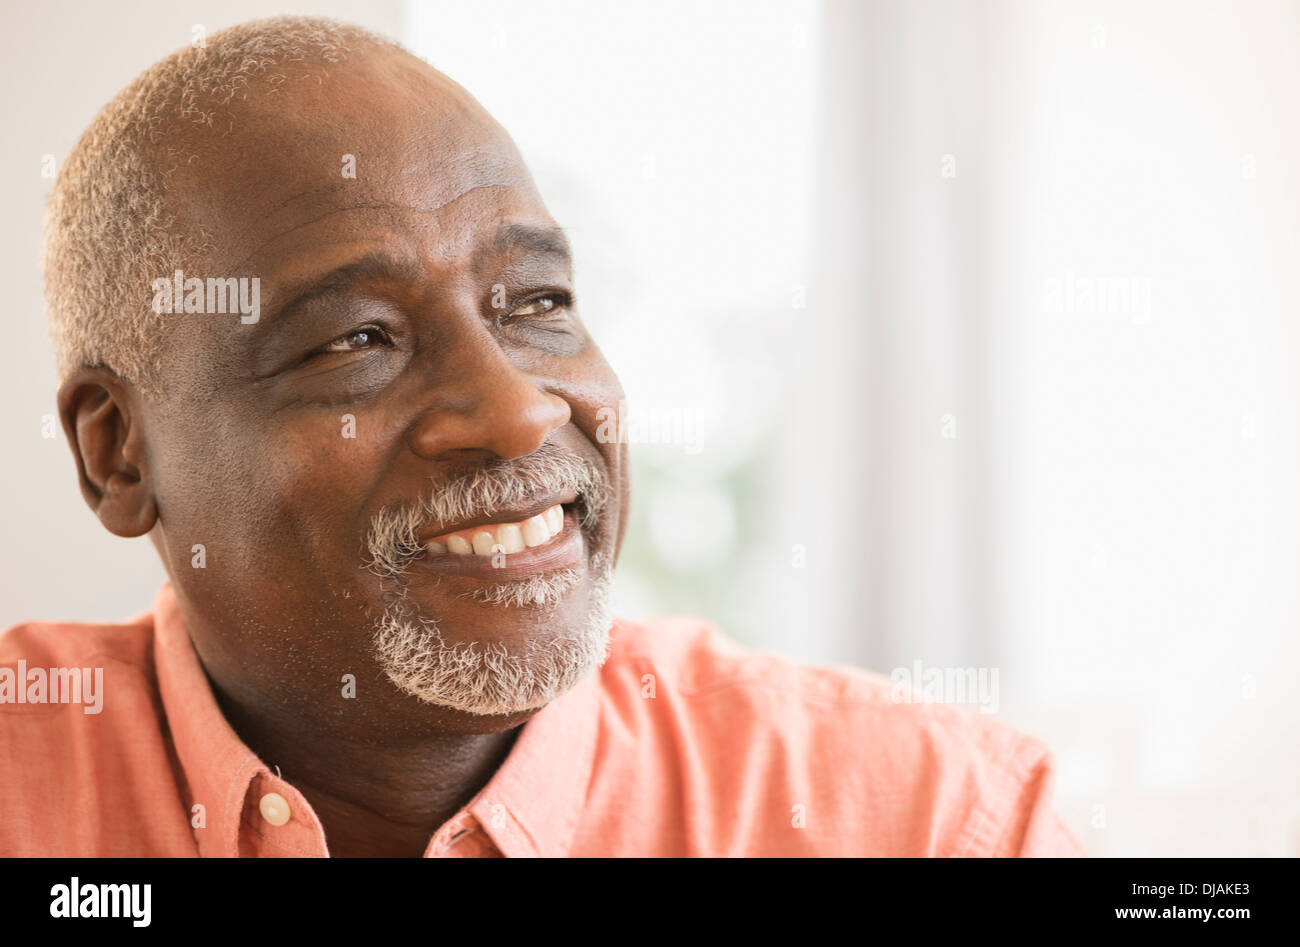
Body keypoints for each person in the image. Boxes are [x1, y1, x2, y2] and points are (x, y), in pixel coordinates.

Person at [0, 16, 1082, 857]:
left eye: (535, 302)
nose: (520, 408)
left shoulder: (938, 822)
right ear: (119, 453)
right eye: (355, 339)